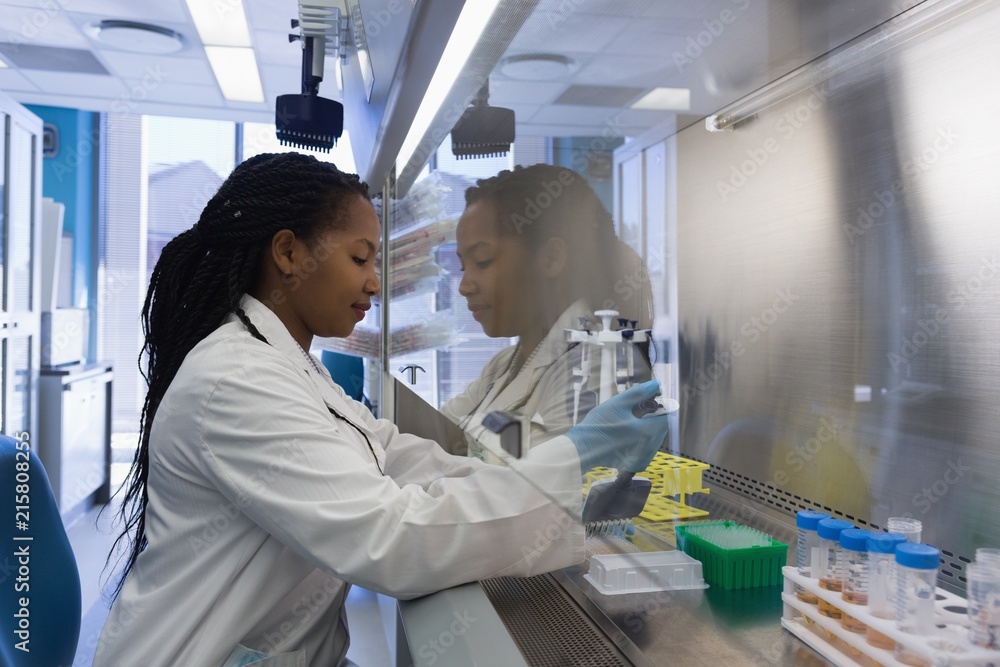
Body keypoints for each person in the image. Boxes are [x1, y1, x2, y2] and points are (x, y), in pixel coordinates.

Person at [95, 153, 669, 667]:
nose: (374, 282)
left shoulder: (287, 365)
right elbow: (391, 539)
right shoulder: (239, 379)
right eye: (360, 257)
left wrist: (561, 471)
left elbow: (396, 451)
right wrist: (571, 460)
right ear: (289, 253)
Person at [441, 164, 655, 462]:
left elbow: (531, 488)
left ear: (551, 258)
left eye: (483, 261)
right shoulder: (504, 365)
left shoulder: (598, 368)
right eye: (464, 266)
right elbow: (440, 431)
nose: (464, 286)